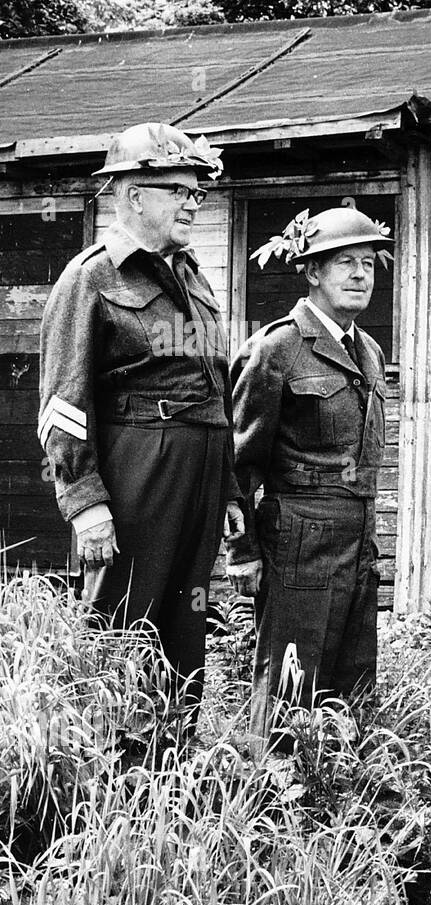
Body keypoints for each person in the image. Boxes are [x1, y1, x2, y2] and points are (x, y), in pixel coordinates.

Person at [38, 121, 237, 739]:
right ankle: (108, 770)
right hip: (138, 468)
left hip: (198, 472)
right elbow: (61, 406)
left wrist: (226, 488)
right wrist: (86, 505)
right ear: (131, 195)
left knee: (187, 621)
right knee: (127, 618)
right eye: (177, 190)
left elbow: (214, 389)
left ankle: (169, 767)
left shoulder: (193, 277)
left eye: (196, 192)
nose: (192, 203)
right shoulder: (90, 278)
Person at [225, 207, 392, 747]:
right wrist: (242, 550)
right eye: (345, 262)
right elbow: (237, 468)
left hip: (357, 537)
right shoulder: (276, 350)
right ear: (312, 272)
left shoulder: (367, 350)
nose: (360, 275)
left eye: (368, 263)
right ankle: (270, 802)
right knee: (289, 683)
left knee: (353, 680)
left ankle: (339, 803)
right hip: (297, 537)